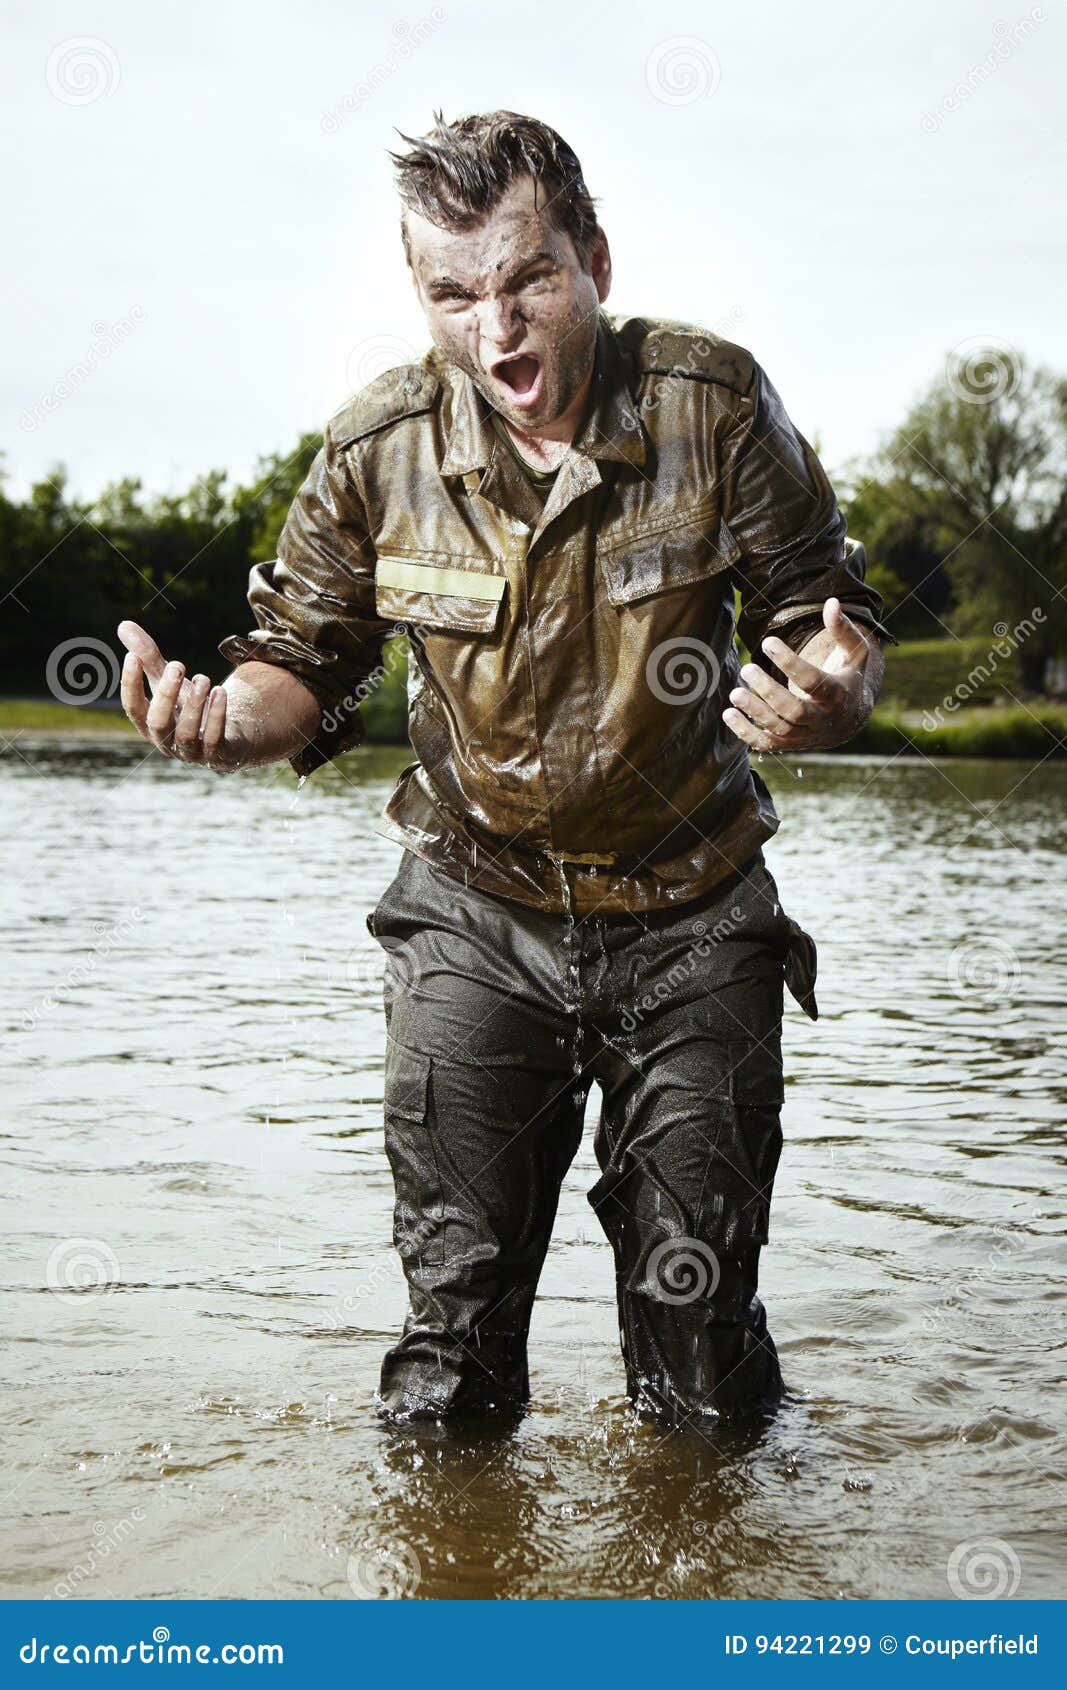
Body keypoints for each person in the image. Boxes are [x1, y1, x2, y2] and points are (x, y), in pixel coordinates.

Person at [117, 110, 894, 1431]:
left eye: (530, 278)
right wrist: (222, 721)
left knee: (703, 1361)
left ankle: (713, 1542)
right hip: (473, 918)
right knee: (452, 1362)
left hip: (696, 914)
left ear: (596, 259)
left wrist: (833, 690)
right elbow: (296, 662)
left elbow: (832, 617)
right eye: (454, 296)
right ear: (419, 294)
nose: (498, 331)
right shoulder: (378, 449)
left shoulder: (711, 402)